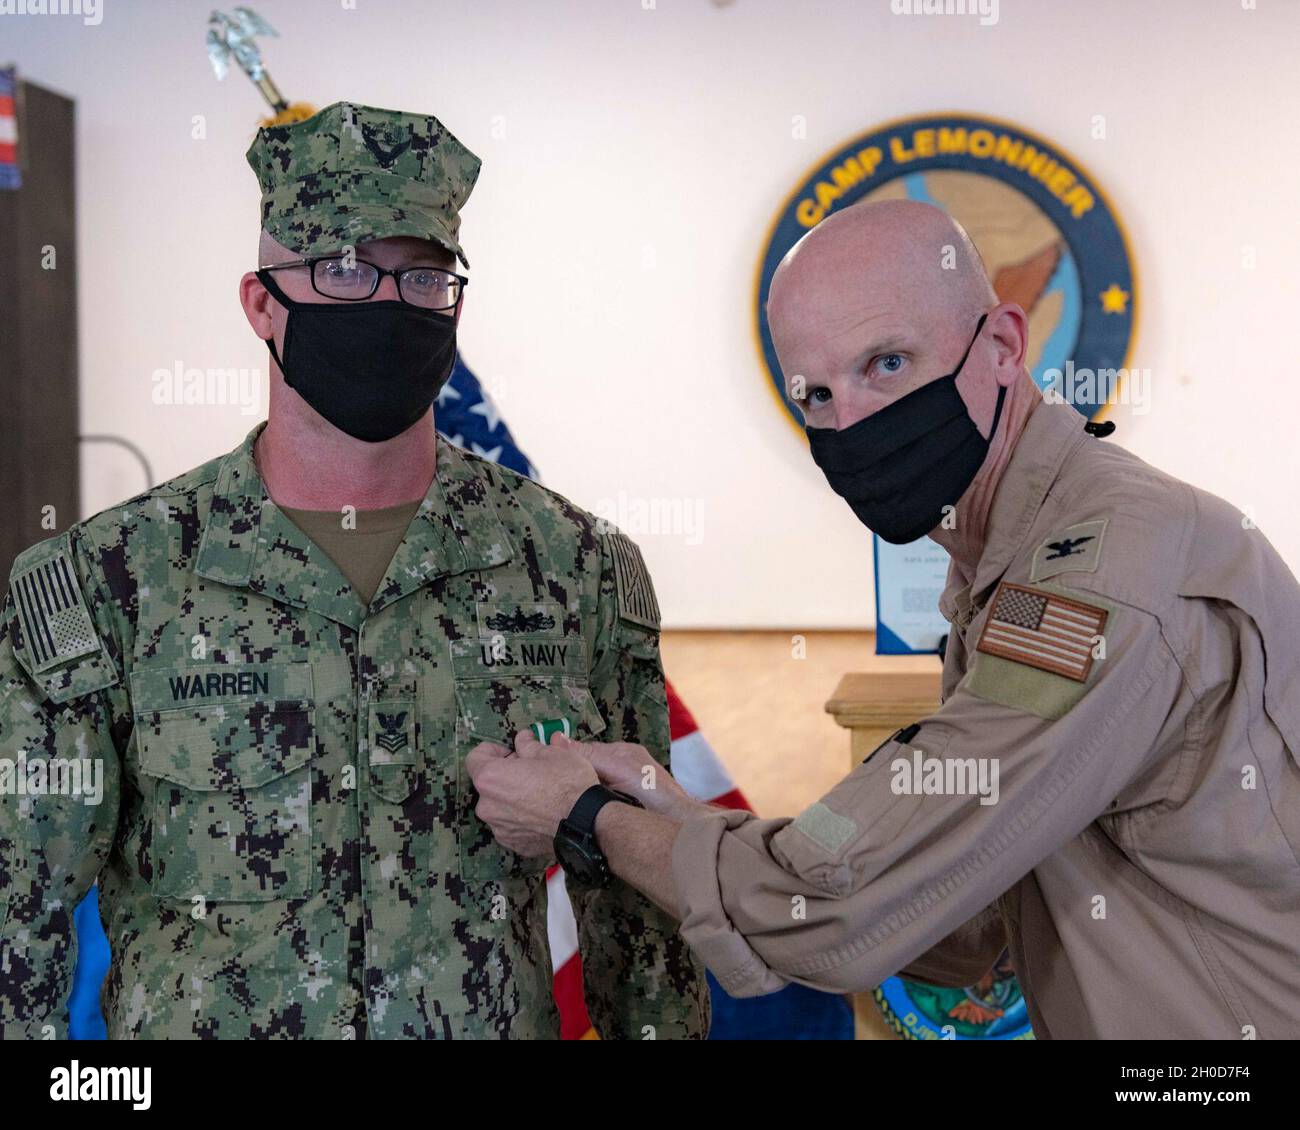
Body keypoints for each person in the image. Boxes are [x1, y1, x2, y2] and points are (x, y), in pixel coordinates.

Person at [467, 198, 1300, 1039]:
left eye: (888, 364)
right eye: (816, 393)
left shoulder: (1094, 578)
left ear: (1004, 347)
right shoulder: (1011, 556)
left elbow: (842, 910)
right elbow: (953, 911)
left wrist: (588, 822)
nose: (852, 421)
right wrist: (677, 815)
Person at [0, 101, 707, 1040]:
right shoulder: (106, 581)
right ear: (261, 302)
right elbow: (22, 925)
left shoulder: (572, 569)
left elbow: (644, 924)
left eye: (422, 277)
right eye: (341, 269)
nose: (385, 303)